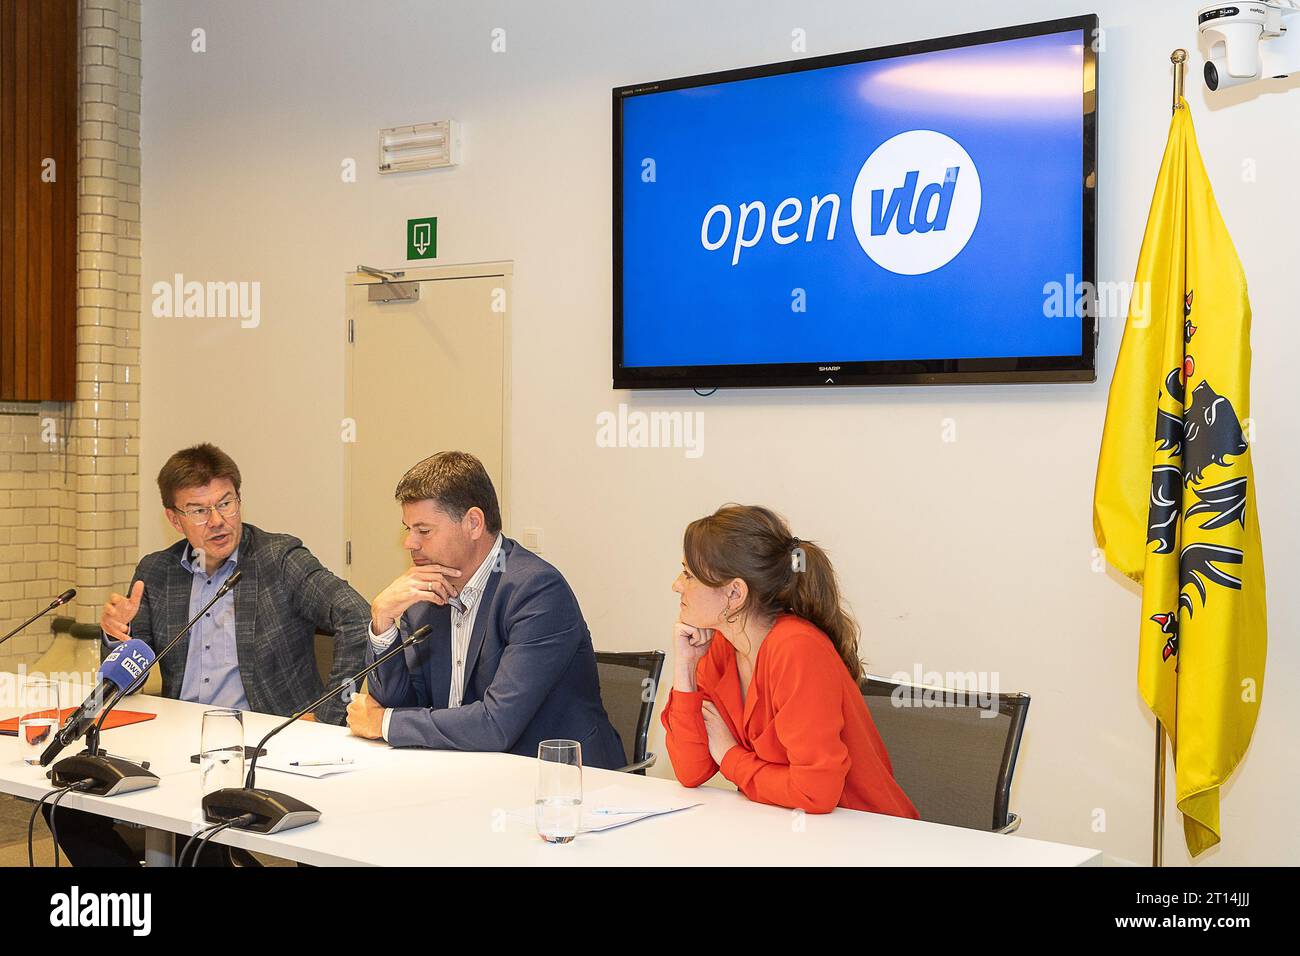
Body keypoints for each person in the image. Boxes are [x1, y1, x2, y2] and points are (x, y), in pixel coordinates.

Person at [50, 443, 371, 866]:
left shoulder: (279, 558)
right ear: (173, 518)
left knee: (196, 832)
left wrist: (329, 713)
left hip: (268, 744)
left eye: (226, 503)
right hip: (181, 741)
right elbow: (136, 674)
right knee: (66, 805)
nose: (218, 521)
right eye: (199, 510)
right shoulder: (157, 571)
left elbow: (356, 615)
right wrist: (119, 638)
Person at [345, 451, 625, 770]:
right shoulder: (426, 589)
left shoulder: (536, 591)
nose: (410, 543)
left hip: (561, 782)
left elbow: (496, 725)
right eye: (407, 529)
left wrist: (384, 724)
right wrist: (383, 621)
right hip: (469, 773)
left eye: (424, 531)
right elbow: (403, 705)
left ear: (473, 523)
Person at [662, 504, 918, 818]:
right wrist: (685, 668)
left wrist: (729, 755)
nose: (677, 584)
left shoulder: (796, 649)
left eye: (689, 575)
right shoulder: (721, 648)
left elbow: (815, 793)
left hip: (867, 836)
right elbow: (691, 770)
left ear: (734, 593)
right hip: (789, 832)